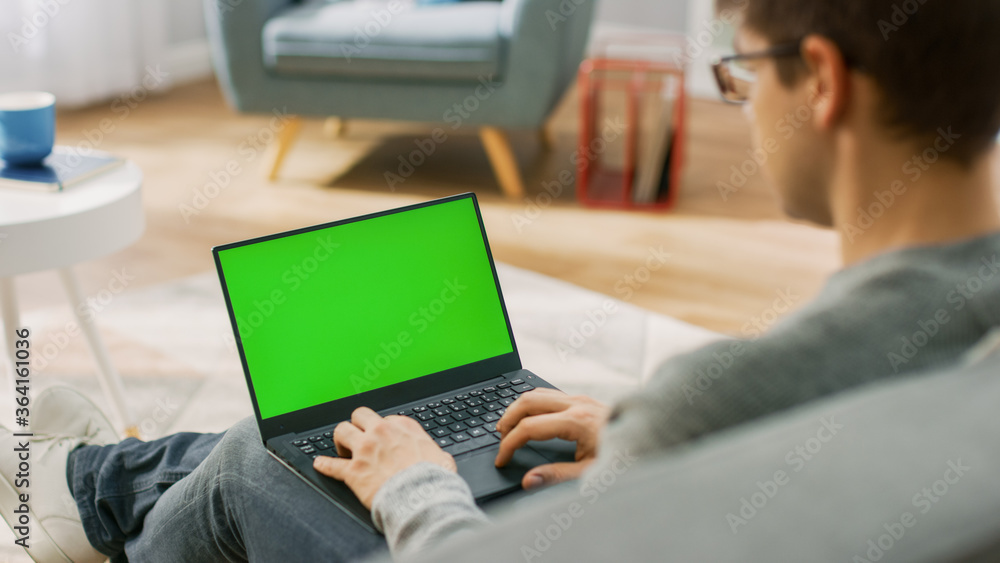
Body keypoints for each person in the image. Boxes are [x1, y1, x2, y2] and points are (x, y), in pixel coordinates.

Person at [3, 0, 1000, 561]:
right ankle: (91, 473)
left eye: (740, 74)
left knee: (259, 464)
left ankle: (81, 495)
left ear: (819, 80)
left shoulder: (712, 400)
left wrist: (423, 488)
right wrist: (643, 438)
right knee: (346, 431)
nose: (737, 104)